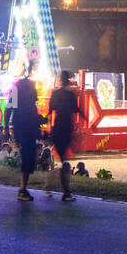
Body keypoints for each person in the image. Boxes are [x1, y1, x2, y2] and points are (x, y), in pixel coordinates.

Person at [47, 70, 85, 202]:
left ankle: (59, 189)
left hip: (57, 128)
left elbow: (50, 112)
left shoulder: (55, 94)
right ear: (68, 81)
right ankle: (65, 192)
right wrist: (84, 118)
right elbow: (76, 110)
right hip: (66, 128)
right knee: (64, 162)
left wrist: (49, 130)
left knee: (63, 161)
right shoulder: (70, 94)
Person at [5, 71, 42, 201]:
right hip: (24, 129)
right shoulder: (21, 92)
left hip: (25, 128)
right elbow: (8, 110)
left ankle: (23, 188)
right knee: (27, 157)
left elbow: (9, 110)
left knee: (29, 157)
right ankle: (22, 189)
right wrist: (6, 129)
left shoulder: (19, 91)